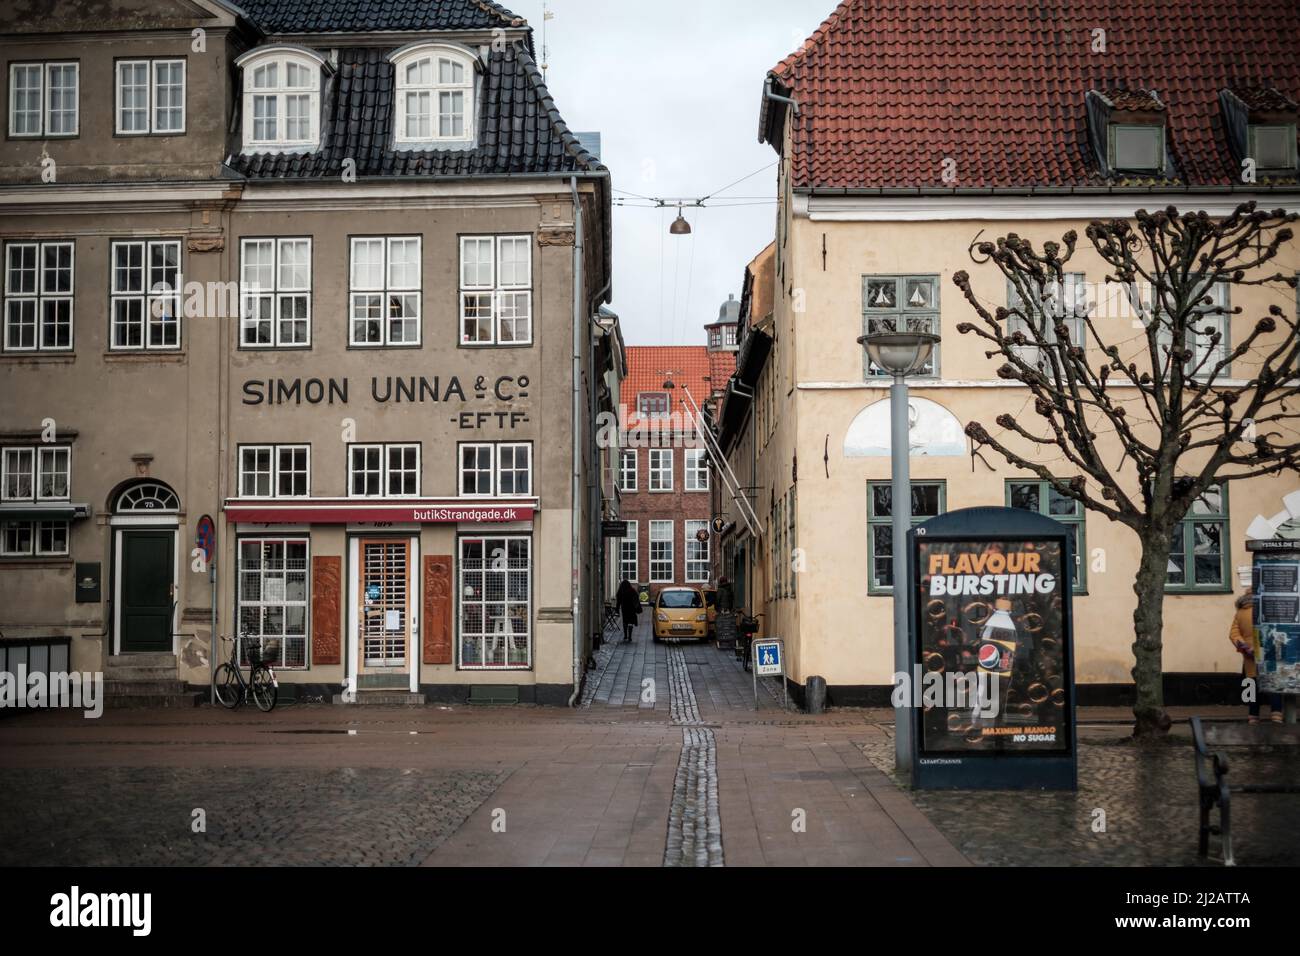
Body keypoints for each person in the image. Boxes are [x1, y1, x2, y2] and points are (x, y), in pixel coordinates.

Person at [1230, 588, 1283, 723]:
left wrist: (1246, 647)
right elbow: (1274, 630)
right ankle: (1276, 714)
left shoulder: (1240, 613)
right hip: (1269, 653)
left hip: (1250, 656)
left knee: (1252, 685)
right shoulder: (1268, 609)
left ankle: (1253, 716)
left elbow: (1233, 634)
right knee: (1272, 683)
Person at [616, 578, 641, 643]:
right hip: (632, 609)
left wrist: (617, 609)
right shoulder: (632, 590)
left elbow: (618, 601)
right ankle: (630, 636)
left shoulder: (621, 592)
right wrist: (637, 607)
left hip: (624, 609)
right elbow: (636, 599)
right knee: (630, 622)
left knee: (625, 621)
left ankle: (625, 635)